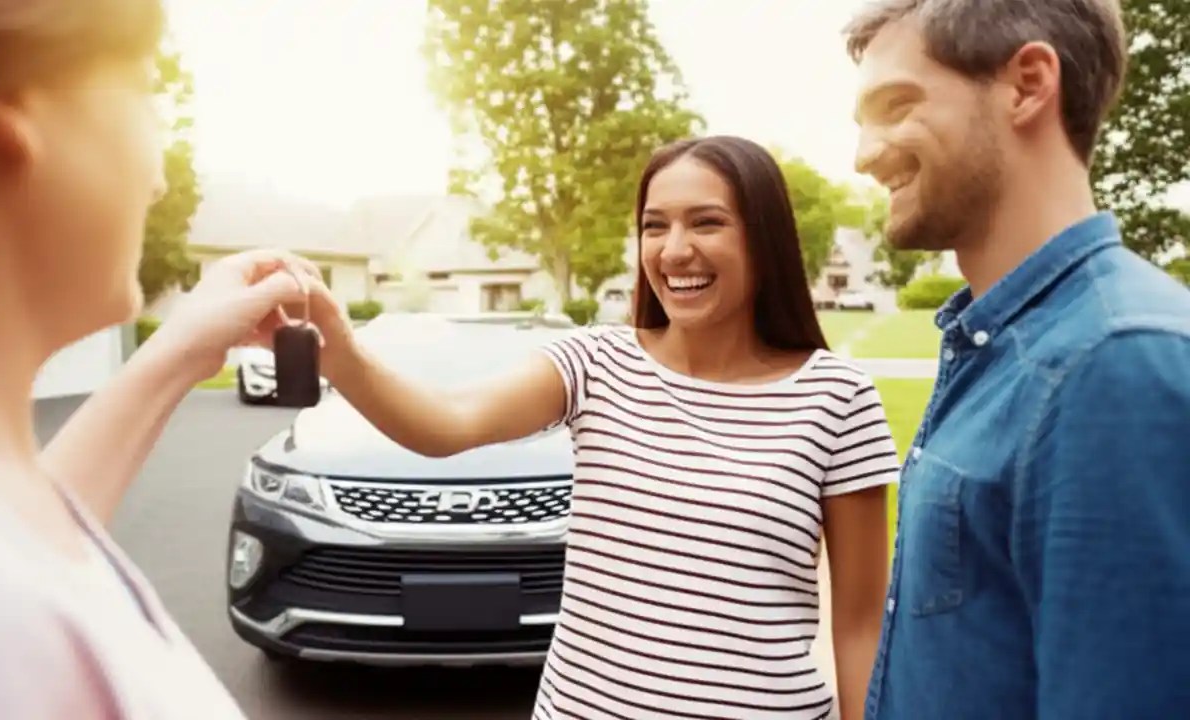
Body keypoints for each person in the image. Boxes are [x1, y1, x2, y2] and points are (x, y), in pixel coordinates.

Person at [307, 135, 900, 720]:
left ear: (764, 238)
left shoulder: (837, 396)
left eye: (707, 223)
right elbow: (446, 424)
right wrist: (338, 352)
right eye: (654, 226)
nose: (674, 250)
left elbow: (860, 626)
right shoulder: (594, 364)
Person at [0, 1, 324, 717]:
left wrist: (182, 349)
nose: (159, 178)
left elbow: (32, 542)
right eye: (143, 89)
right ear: (20, 110)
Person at [843, 1, 1190, 718]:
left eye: (897, 105)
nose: (865, 155)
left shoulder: (1114, 365)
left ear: (1028, 84)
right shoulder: (1004, 340)